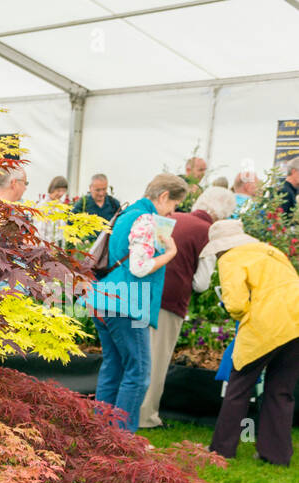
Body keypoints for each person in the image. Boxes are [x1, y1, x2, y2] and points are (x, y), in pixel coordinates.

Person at [87, 173, 188, 432]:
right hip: (129, 303)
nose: (173, 211)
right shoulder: (147, 218)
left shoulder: (125, 212)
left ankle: (100, 435)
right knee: (138, 372)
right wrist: (171, 253)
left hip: (104, 298)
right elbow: (140, 266)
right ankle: (122, 440)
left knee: (114, 367)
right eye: (174, 204)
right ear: (164, 196)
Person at [199, 220, 299, 465]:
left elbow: (235, 303)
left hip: (265, 326)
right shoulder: (271, 250)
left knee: (238, 387)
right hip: (296, 324)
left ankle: (221, 451)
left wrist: (235, 310)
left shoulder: (230, 259)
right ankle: (276, 455)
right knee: (281, 390)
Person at [139, 186, 236, 428]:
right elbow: (201, 283)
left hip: (141, 292)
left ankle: (122, 411)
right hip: (169, 300)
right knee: (157, 361)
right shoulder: (208, 233)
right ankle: (146, 417)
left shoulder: (171, 217)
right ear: (222, 215)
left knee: (137, 357)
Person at [72, 174, 121, 241]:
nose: (101, 193)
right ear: (90, 188)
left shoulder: (114, 203)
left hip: (108, 245)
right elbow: (71, 224)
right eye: (98, 190)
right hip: (87, 247)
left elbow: (120, 225)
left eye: (104, 189)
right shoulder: (82, 204)